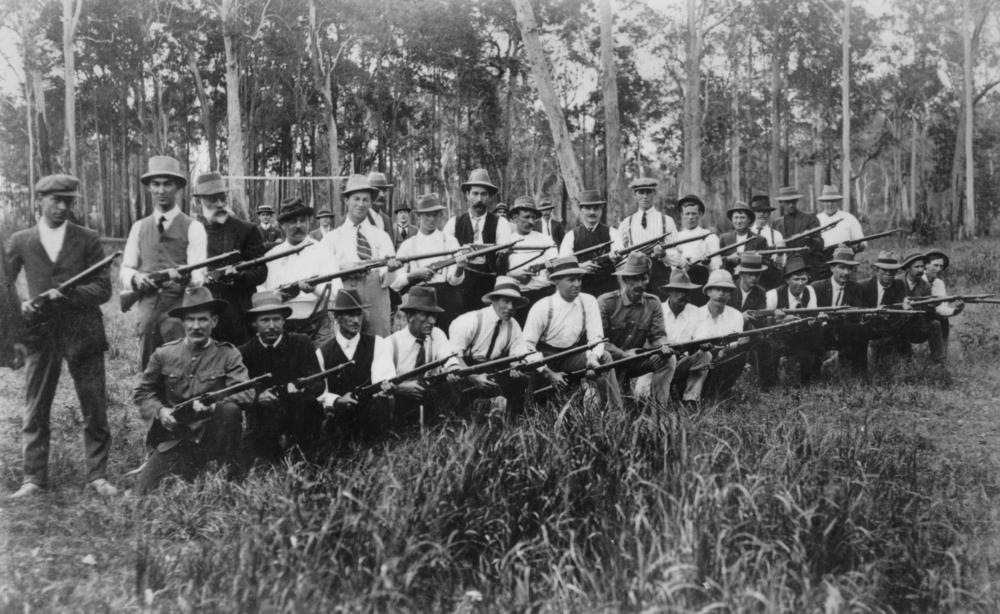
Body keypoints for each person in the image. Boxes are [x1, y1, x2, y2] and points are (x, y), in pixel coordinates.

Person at [5, 174, 116, 498]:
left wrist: (67, 296)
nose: (63, 207)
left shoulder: (88, 238)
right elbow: (5, 284)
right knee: (35, 406)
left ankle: (97, 476)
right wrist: (21, 306)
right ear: (38, 201)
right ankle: (33, 478)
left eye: (69, 201)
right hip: (40, 334)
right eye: (56, 200)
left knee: (94, 405)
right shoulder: (21, 240)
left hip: (84, 331)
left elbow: (103, 288)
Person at [133, 287, 252, 494]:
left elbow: (246, 392)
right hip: (176, 437)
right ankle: (183, 468)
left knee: (230, 410)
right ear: (183, 322)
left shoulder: (228, 354)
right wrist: (161, 412)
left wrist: (214, 406)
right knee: (143, 492)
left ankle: (227, 474)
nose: (196, 326)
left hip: (213, 436)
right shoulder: (164, 354)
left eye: (202, 320)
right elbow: (143, 392)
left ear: (214, 321)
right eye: (190, 320)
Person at [121, 155, 208, 368]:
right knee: (148, 369)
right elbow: (126, 268)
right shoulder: (139, 227)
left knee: (180, 368)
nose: (161, 190)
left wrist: (185, 278)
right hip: (148, 310)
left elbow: (199, 277)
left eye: (167, 184)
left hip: (179, 311)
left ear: (177, 187)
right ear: (149, 187)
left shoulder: (194, 227)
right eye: (156, 184)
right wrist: (136, 278)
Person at [522, 256, 623, 410]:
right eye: (571, 280)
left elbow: (596, 337)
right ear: (557, 282)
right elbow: (526, 346)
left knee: (604, 357)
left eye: (579, 279)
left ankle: (615, 412)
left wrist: (593, 357)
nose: (577, 284)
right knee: (534, 405)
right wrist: (547, 372)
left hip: (570, 356)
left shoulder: (588, 301)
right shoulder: (542, 307)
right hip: (544, 359)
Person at [238, 291, 323, 467]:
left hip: (298, 413)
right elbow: (239, 390)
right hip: (262, 416)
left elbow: (318, 383)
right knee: (252, 462)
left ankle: (305, 460)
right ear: (254, 323)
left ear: (284, 321)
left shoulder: (301, 343)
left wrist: (301, 388)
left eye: (276, 319)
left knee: (309, 410)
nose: (271, 326)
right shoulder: (244, 352)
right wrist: (257, 396)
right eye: (265, 320)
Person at [320, 174, 397, 337]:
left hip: (377, 302)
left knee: (379, 345)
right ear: (346, 200)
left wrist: (391, 269)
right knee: (346, 345)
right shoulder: (332, 238)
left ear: (370, 203)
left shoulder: (381, 236)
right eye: (356, 199)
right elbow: (326, 274)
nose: (360, 204)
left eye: (365, 200)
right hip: (346, 299)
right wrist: (342, 277)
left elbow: (388, 280)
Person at [195, 171, 267, 345]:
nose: (220, 204)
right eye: (212, 199)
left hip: (238, 314)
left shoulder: (247, 230)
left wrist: (238, 276)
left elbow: (261, 272)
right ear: (199, 202)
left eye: (222, 198)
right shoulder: (191, 232)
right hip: (201, 314)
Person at [257, 198, 340, 344]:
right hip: (281, 327)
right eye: (292, 221)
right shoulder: (271, 256)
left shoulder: (323, 251)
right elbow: (259, 290)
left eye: (303, 220)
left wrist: (315, 289)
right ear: (282, 225)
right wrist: (276, 296)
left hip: (318, 325)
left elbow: (336, 293)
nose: (298, 226)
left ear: (309, 222)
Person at [317, 289, 397, 441]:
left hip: (370, 412)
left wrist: (385, 389)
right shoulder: (322, 353)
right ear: (336, 317)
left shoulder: (377, 344)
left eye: (358, 314)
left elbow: (383, 378)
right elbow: (320, 393)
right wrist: (337, 401)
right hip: (338, 415)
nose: (356, 320)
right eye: (350, 314)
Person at [597, 252, 673, 407]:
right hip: (608, 363)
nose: (639, 284)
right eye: (634, 279)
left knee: (668, 359)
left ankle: (659, 408)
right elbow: (598, 342)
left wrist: (664, 345)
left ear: (648, 279)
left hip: (635, 361)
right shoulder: (606, 302)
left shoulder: (653, 303)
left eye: (643, 278)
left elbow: (658, 335)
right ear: (625, 280)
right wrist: (623, 355)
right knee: (600, 406)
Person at [449, 277, 531, 415]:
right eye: (506, 301)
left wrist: (516, 366)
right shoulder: (470, 321)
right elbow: (454, 357)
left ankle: (512, 418)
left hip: (492, 368)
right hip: (466, 368)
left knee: (521, 381)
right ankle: (471, 410)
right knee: (457, 392)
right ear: (494, 300)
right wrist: (473, 377)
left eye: (514, 303)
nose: (510, 307)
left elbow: (519, 352)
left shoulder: (513, 325)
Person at [391, 193, 468, 332]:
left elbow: (454, 281)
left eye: (435, 215)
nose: (431, 219)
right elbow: (395, 283)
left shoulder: (449, 241)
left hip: (446, 299)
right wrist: (414, 275)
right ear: (418, 216)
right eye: (427, 215)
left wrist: (460, 268)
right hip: (419, 300)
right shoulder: (408, 245)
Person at [387, 286, 461, 425]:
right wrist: (400, 388)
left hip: (427, 396)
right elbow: (381, 382)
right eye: (425, 315)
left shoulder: (437, 334)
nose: (432, 321)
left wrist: (452, 369)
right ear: (410, 317)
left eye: (434, 316)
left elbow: (448, 357)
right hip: (400, 400)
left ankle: (445, 424)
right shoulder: (391, 343)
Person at [444, 169, 513, 311]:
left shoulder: (501, 223)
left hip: (490, 285)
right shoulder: (453, 223)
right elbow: (446, 256)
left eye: (483, 194)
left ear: (490, 197)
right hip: (461, 286)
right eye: (475, 193)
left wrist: (502, 254)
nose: (479, 199)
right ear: (467, 195)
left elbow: (502, 262)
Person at [763, 257, 823, 385]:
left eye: (803, 279)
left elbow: (812, 315)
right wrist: (780, 321)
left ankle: (810, 379)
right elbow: (763, 322)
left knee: (816, 334)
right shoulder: (773, 295)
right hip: (777, 336)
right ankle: (770, 383)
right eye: (796, 279)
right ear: (787, 280)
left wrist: (816, 320)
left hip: (801, 335)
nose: (800, 283)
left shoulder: (810, 291)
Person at [618, 177, 677, 300]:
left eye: (648, 192)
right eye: (641, 192)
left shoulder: (667, 221)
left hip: (660, 274)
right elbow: (619, 252)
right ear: (635, 195)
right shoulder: (626, 223)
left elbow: (676, 253)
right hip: (635, 274)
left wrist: (664, 254)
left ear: (654, 193)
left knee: (660, 306)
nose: (645, 196)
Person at [811, 246, 866, 375]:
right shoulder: (817, 287)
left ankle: (860, 376)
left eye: (849, 268)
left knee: (861, 331)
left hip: (843, 330)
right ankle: (813, 376)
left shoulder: (856, 288)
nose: (846, 272)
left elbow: (856, 315)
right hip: (821, 330)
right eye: (842, 267)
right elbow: (811, 313)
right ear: (832, 268)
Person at [558, 189, 623, 298]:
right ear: (580, 210)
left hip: (609, 291)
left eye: (596, 208)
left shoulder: (613, 233)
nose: (592, 212)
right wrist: (580, 267)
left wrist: (616, 259)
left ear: (601, 210)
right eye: (588, 208)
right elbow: (562, 266)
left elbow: (622, 263)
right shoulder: (570, 236)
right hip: (580, 292)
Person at [504, 196, 558, 323]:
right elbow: (499, 271)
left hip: (544, 294)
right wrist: (515, 276)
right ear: (515, 218)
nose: (531, 222)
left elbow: (555, 262)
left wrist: (547, 267)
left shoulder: (545, 239)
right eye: (527, 217)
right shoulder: (506, 240)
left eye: (533, 218)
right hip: (517, 297)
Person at [897, 250, 945, 363]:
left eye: (922, 267)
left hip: (917, 325)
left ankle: (939, 360)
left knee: (935, 324)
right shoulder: (897, 282)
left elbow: (927, 313)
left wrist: (931, 306)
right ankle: (905, 360)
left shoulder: (925, 286)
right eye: (916, 267)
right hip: (898, 323)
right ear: (908, 268)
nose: (920, 270)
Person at [664, 195, 720, 287]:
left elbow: (716, 265)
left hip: (702, 282)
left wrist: (708, 263)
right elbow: (670, 262)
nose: (690, 217)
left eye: (694, 214)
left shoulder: (709, 236)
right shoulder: (675, 237)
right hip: (680, 282)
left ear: (700, 214)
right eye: (687, 214)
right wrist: (680, 262)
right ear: (682, 215)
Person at [815, 185, 866, 278]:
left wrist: (853, 247)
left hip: (845, 264)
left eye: (833, 201)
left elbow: (862, 244)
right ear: (822, 202)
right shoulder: (816, 220)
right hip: (822, 265)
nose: (829, 204)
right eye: (826, 201)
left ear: (838, 201)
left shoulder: (849, 218)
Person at [772, 186, 823, 277]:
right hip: (785, 267)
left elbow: (820, 243)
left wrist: (810, 240)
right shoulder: (776, 223)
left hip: (807, 266)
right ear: (781, 203)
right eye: (787, 202)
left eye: (793, 201)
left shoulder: (810, 218)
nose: (791, 205)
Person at [923, 249, 962, 347]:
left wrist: (955, 310)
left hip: (931, 314)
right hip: (918, 315)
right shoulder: (919, 280)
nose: (938, 269)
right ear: (926, 265)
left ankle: (942, 353)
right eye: (935, 265)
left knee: (943, 320)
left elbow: (941, 307)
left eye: (941, 266)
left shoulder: (939, 283)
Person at [718, 203, 767, 275]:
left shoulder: (759, 240)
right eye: (736, 217)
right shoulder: (724, 238)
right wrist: (728, 259)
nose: (739, 221)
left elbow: (765, 263)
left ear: (749, 220)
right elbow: (716, 261)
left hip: (750, 278)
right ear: (732, 220)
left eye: (742, 218)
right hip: (729, 278)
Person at [749, 195, 786, 290]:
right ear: (753, 213)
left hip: (769, 278)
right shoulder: (747, 233)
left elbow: (782, 260)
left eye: (765, 211)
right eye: (758, 211)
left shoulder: (777, 235)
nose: (762, 214)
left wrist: (778, 259)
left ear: (769, 213)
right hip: (749, 275)